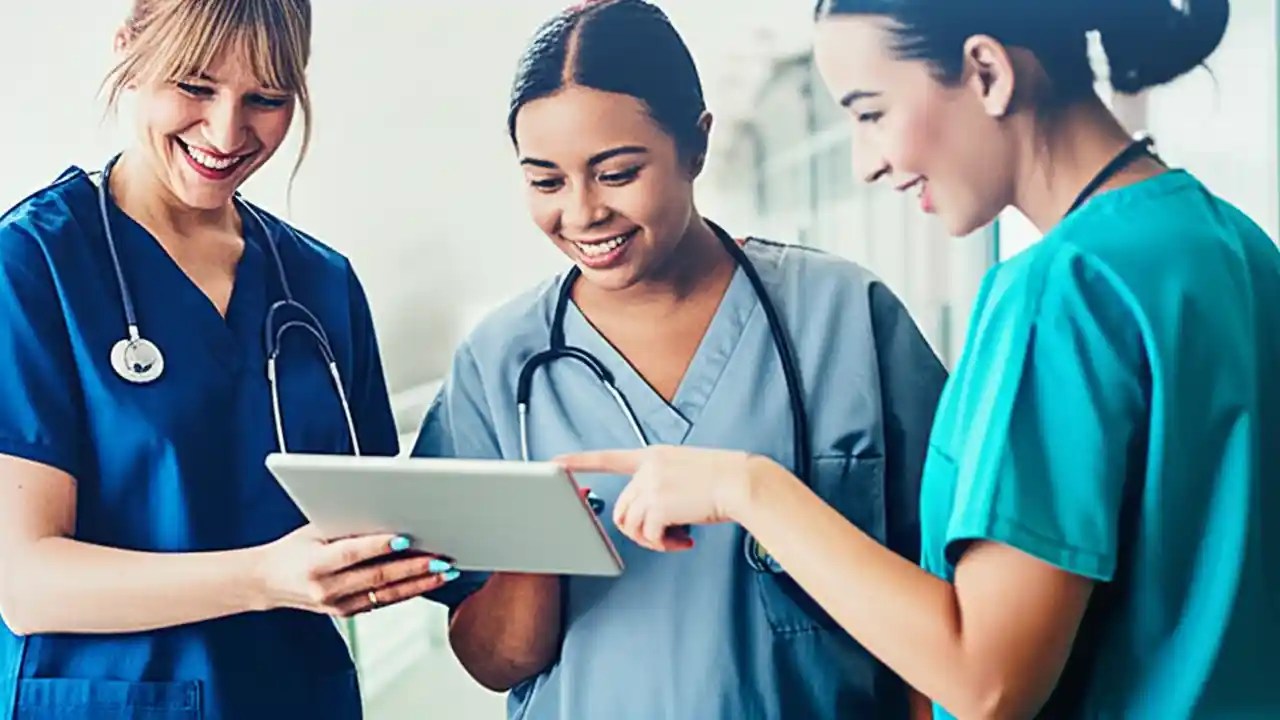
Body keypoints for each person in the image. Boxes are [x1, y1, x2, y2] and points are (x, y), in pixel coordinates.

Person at [561, 0, 1280, 718]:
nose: (865, 162)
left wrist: (747, 488)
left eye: (871, 113)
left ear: (987, 72)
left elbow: (986, 681)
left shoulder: (1058, 291)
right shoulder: (1233, 245)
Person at [411, 1, 946, 718]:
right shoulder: (500, 361)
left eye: (618, 172)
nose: (582, 212)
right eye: (545, 182)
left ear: (695, 147)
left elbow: (947, 601)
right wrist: (537, 546)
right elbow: (487, 659)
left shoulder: (845, 315)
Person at [0, 1, 457, 718]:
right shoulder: (36, 264)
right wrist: (264, 577)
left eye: (266, 98)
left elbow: (374, 526)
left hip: (296, 696)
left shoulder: (321, 285)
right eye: (194, 86)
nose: (226, 131)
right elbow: (26, 583)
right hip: (110, 700)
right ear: (127, 51)